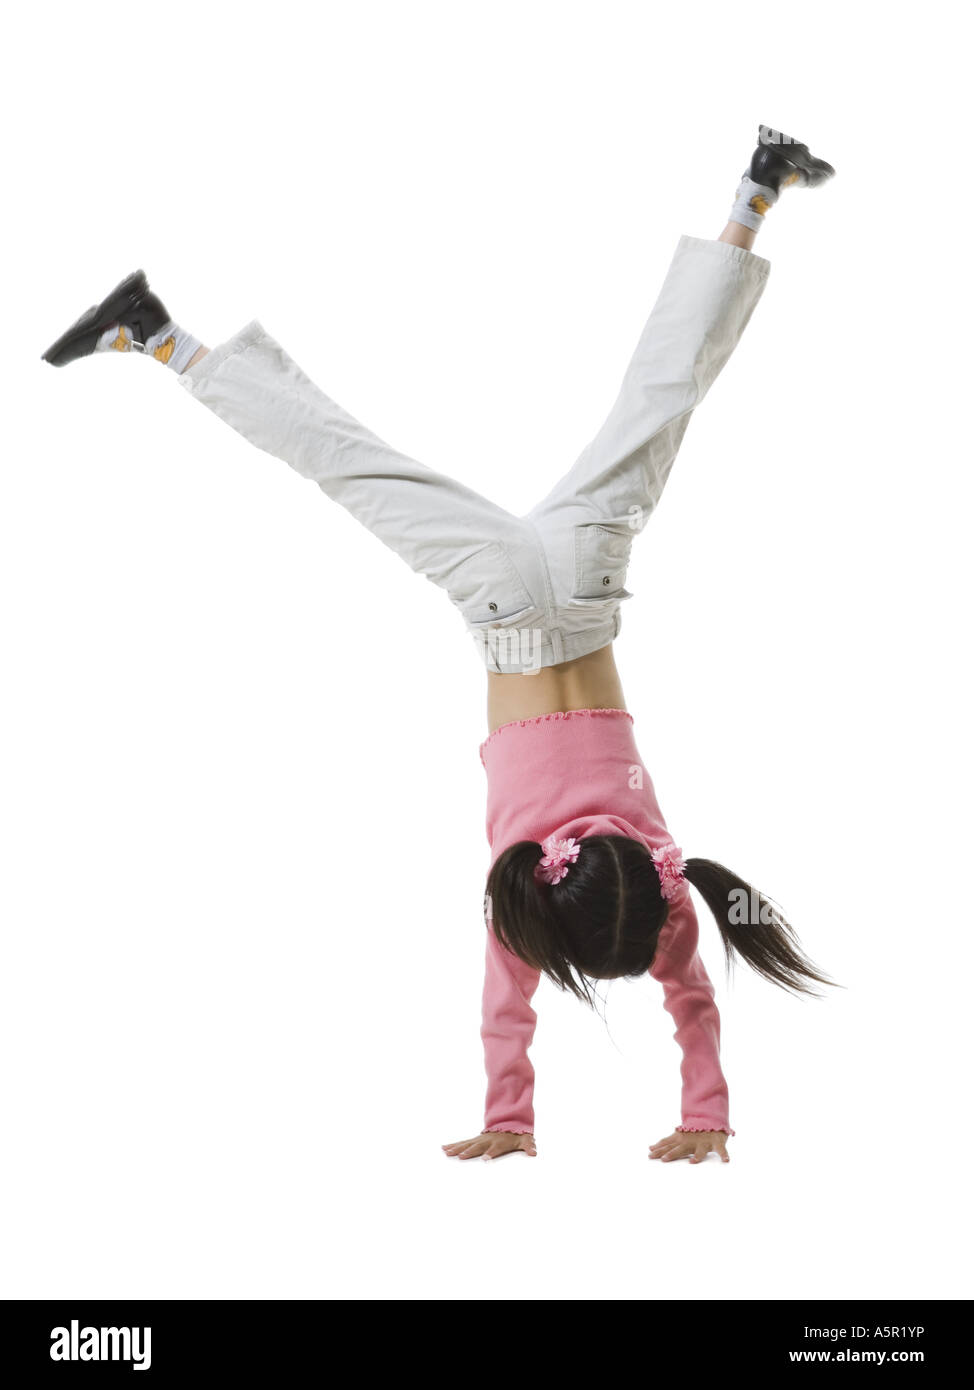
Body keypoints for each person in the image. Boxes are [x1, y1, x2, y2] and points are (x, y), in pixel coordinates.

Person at [41, 123, 836, 1165]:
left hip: (586, 578)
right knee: (357, 471)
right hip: (504, 613)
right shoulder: (522, 895)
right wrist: (511, 1118)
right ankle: (157, 336)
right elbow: (511, 1012)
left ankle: (755, 188)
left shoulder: (666, 888)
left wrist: (705, 1110)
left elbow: (690, 1003)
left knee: (659, 400)